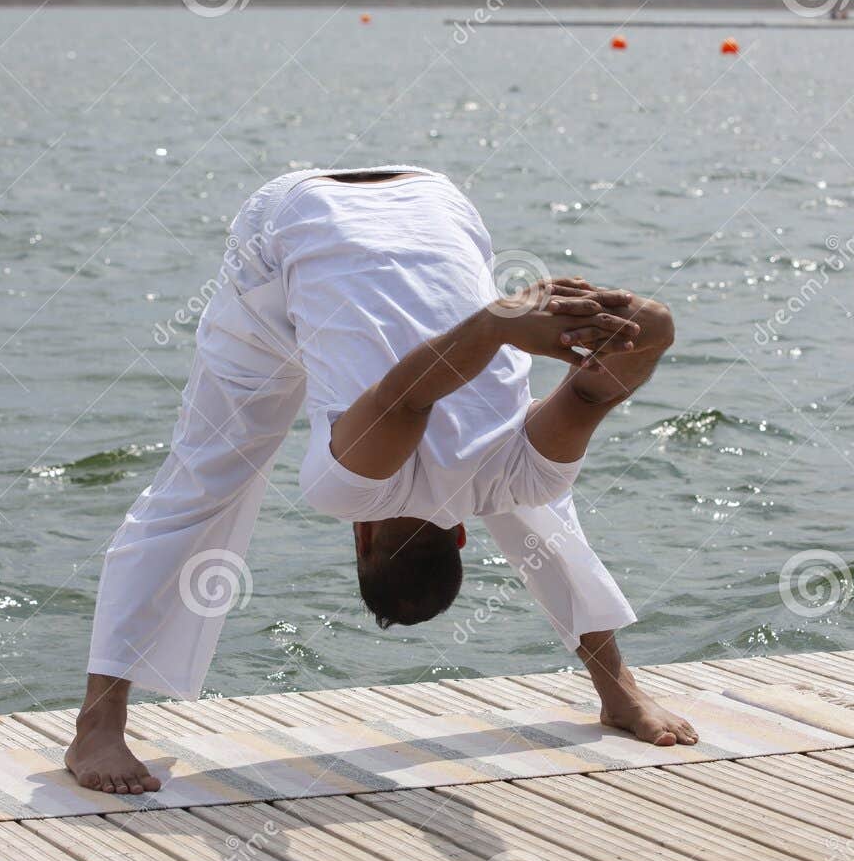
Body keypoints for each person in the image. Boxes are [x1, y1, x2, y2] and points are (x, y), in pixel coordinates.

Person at [66, 166, 697, 794]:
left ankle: (619, 691)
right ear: (361, 539)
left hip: (433, 200)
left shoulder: (515, 480)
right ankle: (96, 728)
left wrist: (629, 326)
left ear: (460, 540)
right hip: (306, 218)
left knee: (533, 496)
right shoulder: (352, 496)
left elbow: (571, 392)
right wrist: (500, 325)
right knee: (206, 478)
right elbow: (403, 404)